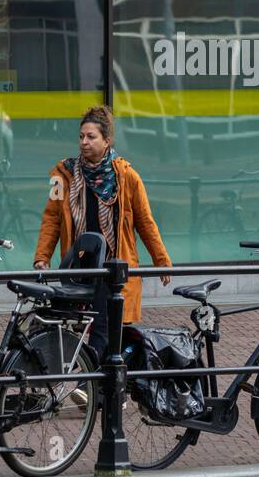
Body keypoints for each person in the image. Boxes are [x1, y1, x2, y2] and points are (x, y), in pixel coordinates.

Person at [33, 105, 172, 358]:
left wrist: (161, 260)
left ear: (107, 140)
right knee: (66, 321)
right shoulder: (62, 174)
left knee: (103, 325)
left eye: (91, 137)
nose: (84, 142)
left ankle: (91, 381)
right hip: (80, 265)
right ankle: (88, 379)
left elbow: (145, 221)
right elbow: (51, 218)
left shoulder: (127, 177)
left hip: (112, 267)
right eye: (81, 136)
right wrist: (42, 256)